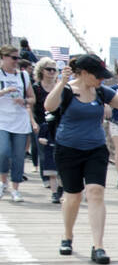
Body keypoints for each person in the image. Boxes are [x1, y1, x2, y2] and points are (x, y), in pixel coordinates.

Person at [45, 54, 118, 263]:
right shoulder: (66, 90)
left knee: (95, 193)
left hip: (95, 148)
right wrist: (61, 83)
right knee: (73, 196)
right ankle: (67, 236)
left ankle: (98, 246)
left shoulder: (101, 91)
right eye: (98, 76)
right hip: (68, 149)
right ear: (84, 73)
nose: (102, 80)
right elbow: (49, 106)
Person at [0, 45, 34, 202]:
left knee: (19, 156)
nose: (17, 61)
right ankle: (2, 182)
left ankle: (15, 189)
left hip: (19, 121)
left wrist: (24, 101)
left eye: (18, 58)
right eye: (14, 58)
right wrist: (5, 91)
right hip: (2, 121)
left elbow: (32, 98)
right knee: (3, 152)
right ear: (3, 57)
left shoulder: (23, 76)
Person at [31, 59, 61, 202]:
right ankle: (47, 178)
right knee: (44, 151)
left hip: (56, 123)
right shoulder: (36, 87)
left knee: (56, 152)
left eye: (54, 70)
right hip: (41, 122)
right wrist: (32, 122)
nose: (51, 72)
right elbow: (30, 105)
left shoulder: (59, 87)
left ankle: (54, 180)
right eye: (48, 69)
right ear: (41, 70)